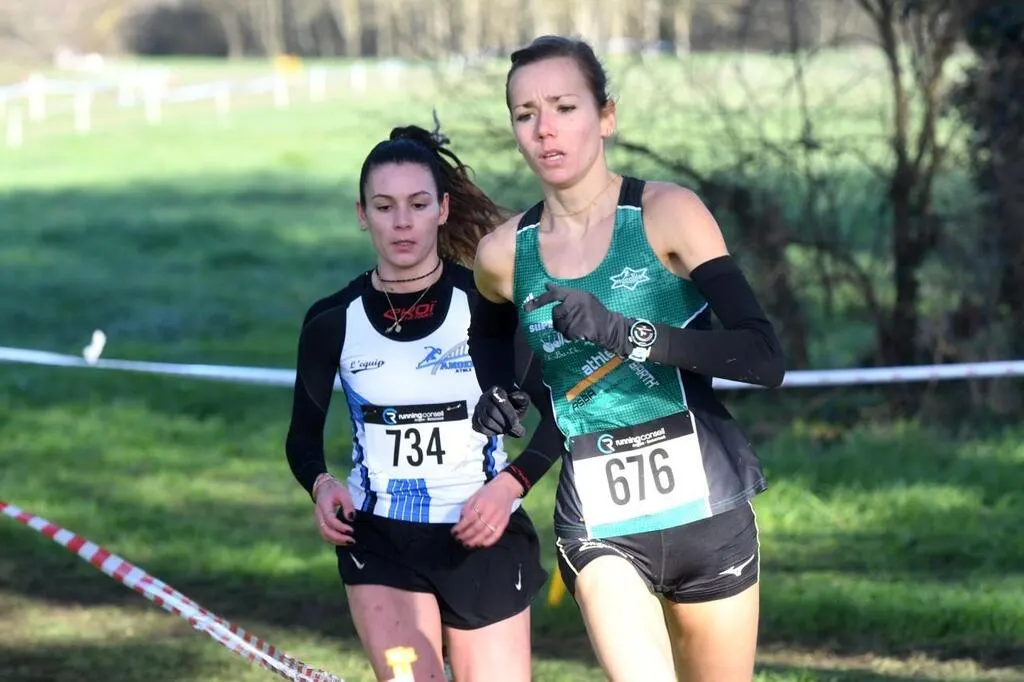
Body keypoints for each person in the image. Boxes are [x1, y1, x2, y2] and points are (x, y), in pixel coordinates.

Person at [467, 35, 786, 682]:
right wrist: (498, 391)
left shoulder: (669, 214)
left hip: (709, 510)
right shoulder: (503, 257)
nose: (545, 129)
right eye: (526, 114)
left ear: (605, 117)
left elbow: (763, 356)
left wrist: (627, 333)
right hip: (599, 522)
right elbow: (490, 340)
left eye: (564, 107)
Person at [284, 123, 556, 682]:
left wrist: (510, 486)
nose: (401, 222)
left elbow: (561, 418)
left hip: (480, 534)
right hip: (379, 539)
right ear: (362, 213)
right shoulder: (332, 320)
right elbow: (302, 437)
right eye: (384, 207)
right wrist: (322, 484)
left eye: (417, 203)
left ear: (442, 208)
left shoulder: (487, 305)